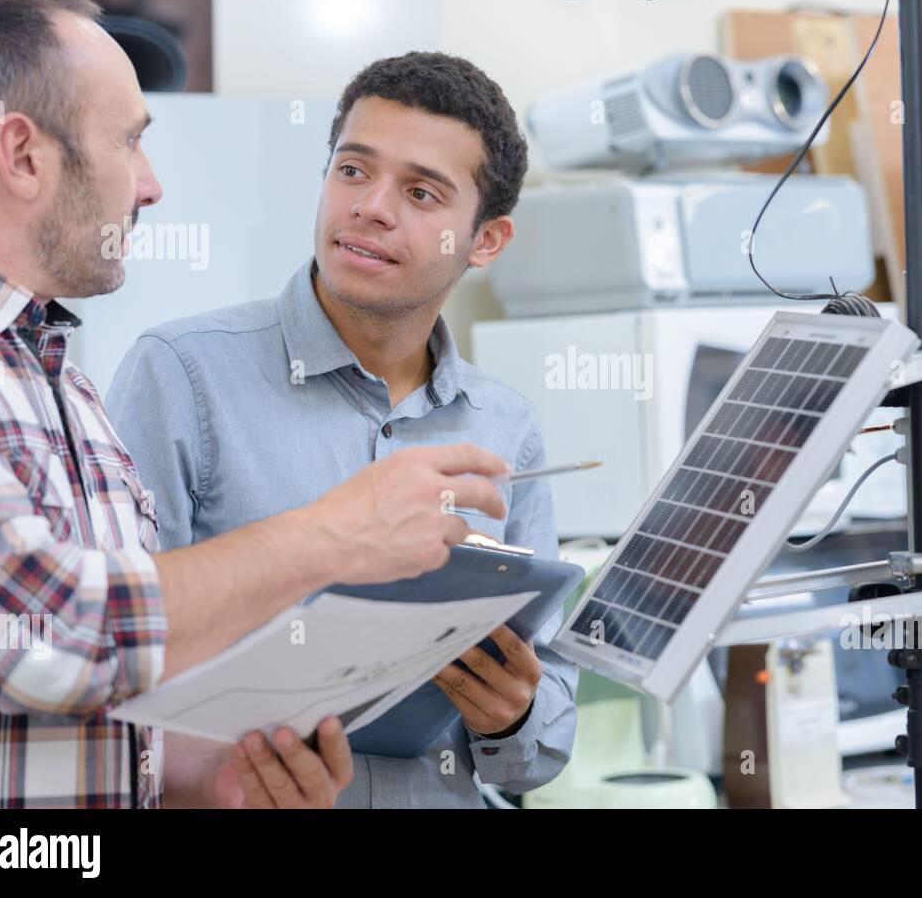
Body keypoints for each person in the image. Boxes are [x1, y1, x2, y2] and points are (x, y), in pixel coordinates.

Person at [0, 0, 508, 808]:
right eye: (129, 142)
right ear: (24, 154)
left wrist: (205, 778)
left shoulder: (56, 372)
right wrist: (337, 534)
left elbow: (98, 690)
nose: (150, 185)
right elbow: (54, 637)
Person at [107, 52, 578, 808]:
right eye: (353, 171)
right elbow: (106, 649)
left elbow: (536, 753)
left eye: (421, 192)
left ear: (484, 241)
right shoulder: (179, 374)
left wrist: (515, 714)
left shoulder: (506, 424)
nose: (372, 207)